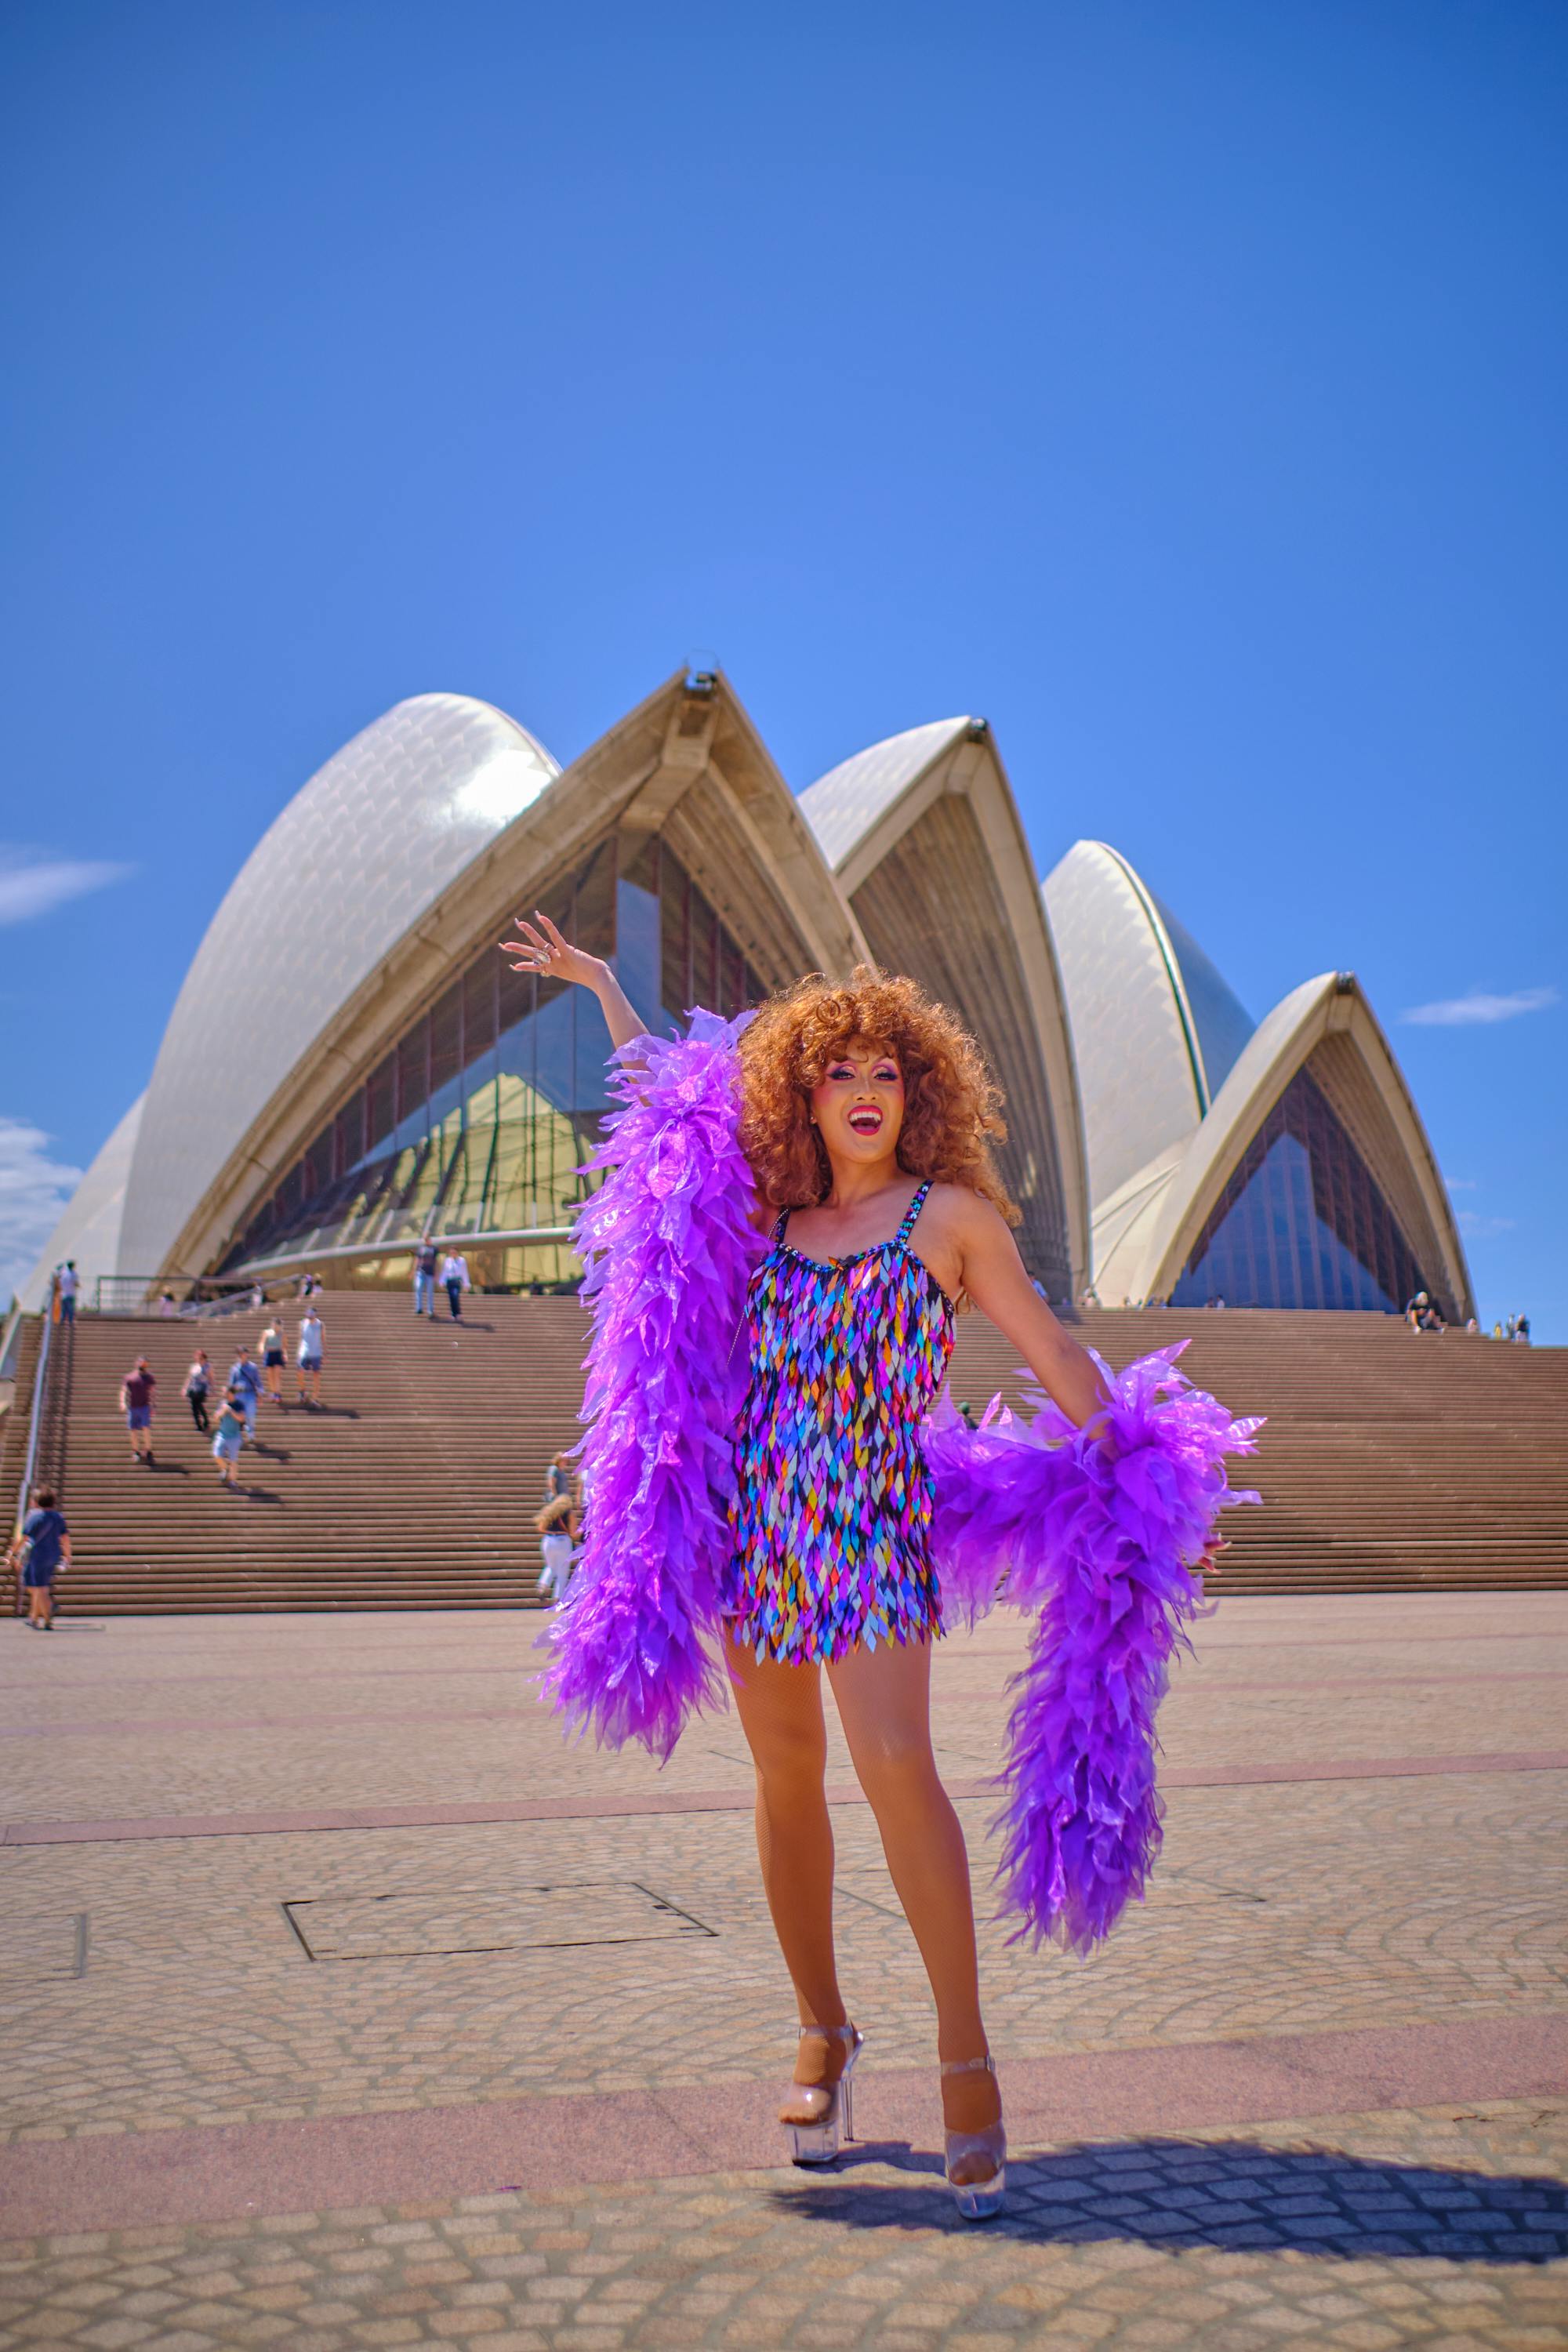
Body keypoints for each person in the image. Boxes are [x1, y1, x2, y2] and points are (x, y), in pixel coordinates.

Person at [500, 914, 1133, 2221]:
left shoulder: (949, 1220)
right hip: (757, 1530)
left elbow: (1053, 1352)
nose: (861, 1089)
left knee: (899, 1772)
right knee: (787, 1783)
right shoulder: (769, 1217)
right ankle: (823, 2036)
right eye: (837, 1070)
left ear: (919, 1091)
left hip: (874, 1529)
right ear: (804, 1092)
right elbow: (669, 1128)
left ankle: (966, 2058)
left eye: (885, 1070)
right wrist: (614, 989)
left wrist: (1148, 1469)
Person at [7, 1485, 71, 1629]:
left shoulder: (35, 1516)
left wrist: (13, 1552)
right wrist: (67, 1555)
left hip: (37, 1555)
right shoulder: (57, 1517)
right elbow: (65, 1538)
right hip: (53, 1553)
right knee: (38, 1585)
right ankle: (34, 1616)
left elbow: (24, 1537)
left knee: (39, 1587)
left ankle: (47, 1616)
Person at [536, 1491, 577, 1604]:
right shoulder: (569, 1513)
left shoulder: (550, 1512)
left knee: (550, 1566)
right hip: (563, 1541)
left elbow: (540, 1528)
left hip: (548, 1541)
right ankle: (557, 1598)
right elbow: (573, 1533)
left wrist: (551, 1532)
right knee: (562, 1572)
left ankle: (542, 1586)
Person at [120, 1356, 156, 1465]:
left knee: (146, 1428)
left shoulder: (149, 1377)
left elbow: (152, 1392)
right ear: (137, 1363)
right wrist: (122, 1402)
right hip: (133, 1407)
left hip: (144, 1406)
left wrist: (153, 1405)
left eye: (145, 1363)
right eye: (141, 1363)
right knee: (133, 1430)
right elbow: (124, 1390)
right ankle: (136, 1451)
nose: (143, 1365)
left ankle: (148, 1451)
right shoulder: (130, 1377)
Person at [211, 1388, 246, 1486]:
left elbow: (241, 1419)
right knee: (216, 1455)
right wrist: (222, 1411)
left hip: (234, 1435)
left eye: (225, 1392)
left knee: (233, 1460)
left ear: (231, 1393)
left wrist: (231, 1411)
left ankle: (233, 1481)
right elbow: (216, 1418)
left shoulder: (239, 1404)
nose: (224, 1394)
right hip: (222, 1434)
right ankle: (225, 1468)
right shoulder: (222, 1403)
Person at [228, 1345, 263, 1439]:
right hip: (238, 1395)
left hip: (250, 1393)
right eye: (241, 1353)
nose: (243, 1355)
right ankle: (237, 1433)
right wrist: (231, 1394)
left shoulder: (253, 1367)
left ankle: (250, 1432)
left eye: (245, 1353)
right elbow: (231, 1384)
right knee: (239, 1415)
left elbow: (258, 1382)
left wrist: (260, 1394)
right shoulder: (235, 1368)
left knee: (250, 1414)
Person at [296, 1307, 325, 1405]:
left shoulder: (320, 1324)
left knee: (316, 1374)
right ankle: (302, 1390)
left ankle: (315, 1397)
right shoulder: (303, 1323)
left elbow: (323, 1339)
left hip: (316, 1352)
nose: (310, 1316)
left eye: (311, 1314)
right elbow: (301, 1338)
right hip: (304, 1351)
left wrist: (325, 1353)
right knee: (300, 1371)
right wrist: (298, 1351)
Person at [183, 1348, 212, 1433]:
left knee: (199, 1405)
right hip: (193, 1389)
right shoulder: (193, 1366)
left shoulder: (207, 1366)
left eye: (199, 1355)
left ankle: (206, 1421)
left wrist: (211, 1389)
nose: (197, 1357)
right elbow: (189, 1378)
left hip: (202, 1389)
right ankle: (199, 1425)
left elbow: (211, 1379)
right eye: (196, 1355)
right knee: (194, 1407)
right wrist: (185, 1388)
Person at [260, 1318, 286, 1405]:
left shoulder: (282, 1334)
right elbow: (262, 1342)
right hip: (269, 1353)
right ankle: (273, 1392)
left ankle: (277, 1393)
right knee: (270, 1374)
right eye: (274, 1324)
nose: (275, 1326)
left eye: (277, 1325)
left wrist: (285, 1354)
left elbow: (284, 1346)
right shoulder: (267, 1332)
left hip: (278, 1353)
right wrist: (262, 1348)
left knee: (277, 1374)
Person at [439, 1248, 470, 1320]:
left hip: (457, 1281)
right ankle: (453, 1314)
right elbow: (445, 1272)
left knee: (455, 1295)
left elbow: (464, 1272)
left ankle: (458, 1313)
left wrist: (466, 1284)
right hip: (450, 1281)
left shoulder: (462, 1261)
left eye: (454, 1252)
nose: (453, 1254)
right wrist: (442, 1281)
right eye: (451, 1252)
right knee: (451, 1297)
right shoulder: (447, 1261)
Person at [413, 1237, 438, 1317]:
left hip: (430, 1273)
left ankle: (430, 1309)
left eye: (428, 1239)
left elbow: (436, 1261)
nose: (427, 1241)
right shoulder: (421, 1248)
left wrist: (437, 1272)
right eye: (425, 1239)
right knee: (419, 1288)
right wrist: (414, 1270)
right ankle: (419, 1308)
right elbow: (417, 1259)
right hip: (421, 1272)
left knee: (430, 1291)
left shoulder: (434, 1249)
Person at [56, 1261, 78, 1325]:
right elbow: (75, 1283)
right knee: (70, 1309)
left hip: (63, 1294)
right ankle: (70, 1322)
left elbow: (59, 1281)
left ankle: (62, 1321)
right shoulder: (73, 1274)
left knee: (63, 1309)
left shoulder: (63, 1273)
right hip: (70, 1294)